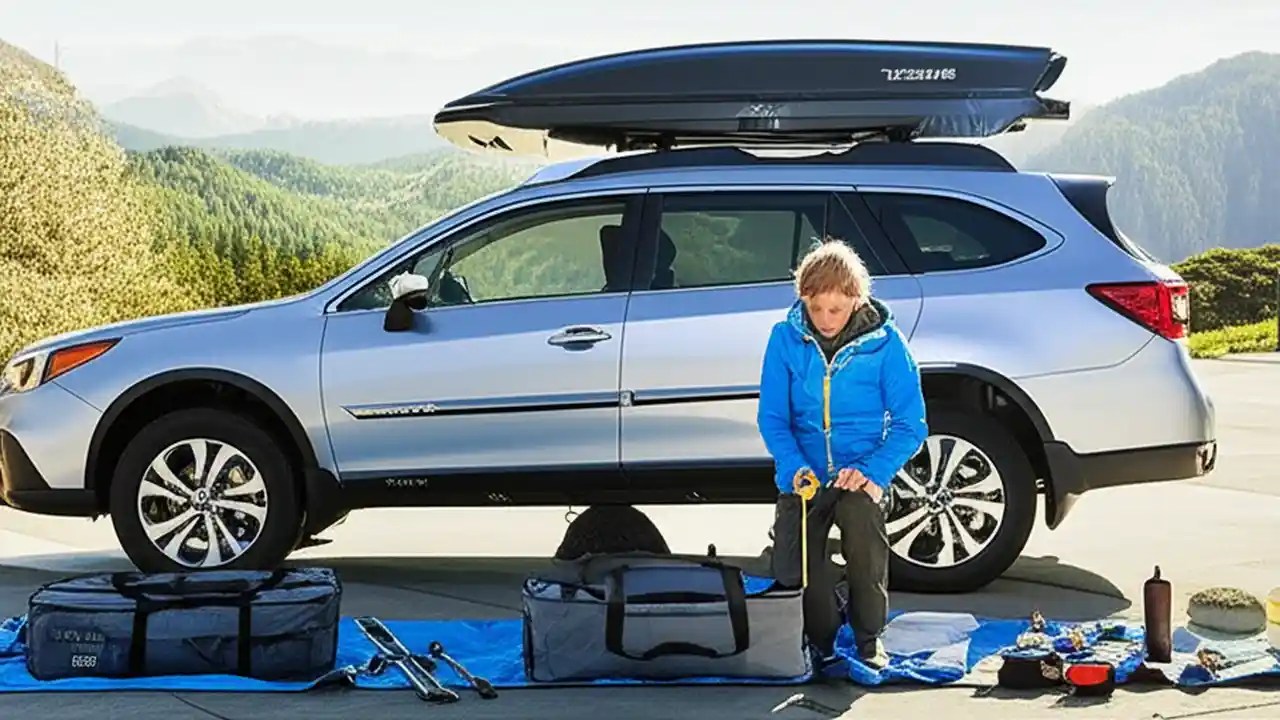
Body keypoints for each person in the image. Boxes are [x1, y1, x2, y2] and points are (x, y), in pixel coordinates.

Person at [756, 237, 928, 668]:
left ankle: (870, 636)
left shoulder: (887, 344)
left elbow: (911, 424)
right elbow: (772, 418)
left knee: (862, 527)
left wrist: (874, 472)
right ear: (803, 299)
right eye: (815, 308)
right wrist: (794, 467)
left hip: (861, 475)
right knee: (795, 574)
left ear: (857, 299)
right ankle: (822, 630)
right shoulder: (784, 339)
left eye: (836, 309)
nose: (825, 319)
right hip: (806, 478)